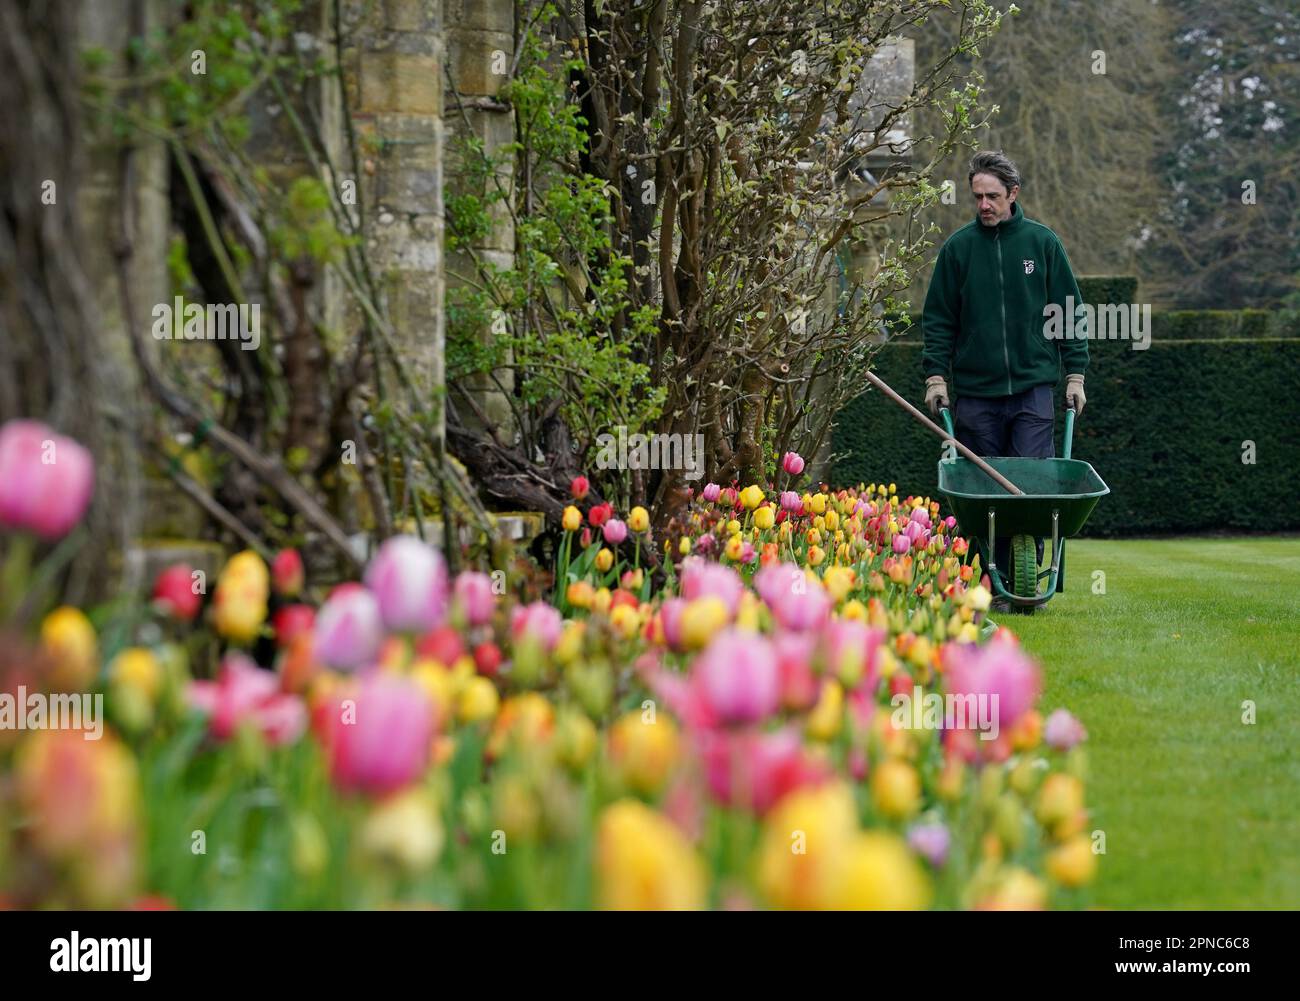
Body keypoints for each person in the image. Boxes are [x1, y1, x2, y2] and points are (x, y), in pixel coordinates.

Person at [920, 151, 1090, 607]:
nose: (984, 205)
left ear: (1013, 194)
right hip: (976, 394)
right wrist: (936, 377)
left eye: (992, 196)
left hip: (1033, 389)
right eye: (977, 196)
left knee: (1030, 488)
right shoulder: (958, 249)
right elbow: (938, 320)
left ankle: (1026, 570)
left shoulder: (1041, 244)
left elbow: (1069, 314)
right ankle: (991, 583)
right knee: (983, 490)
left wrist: (1075, 374)